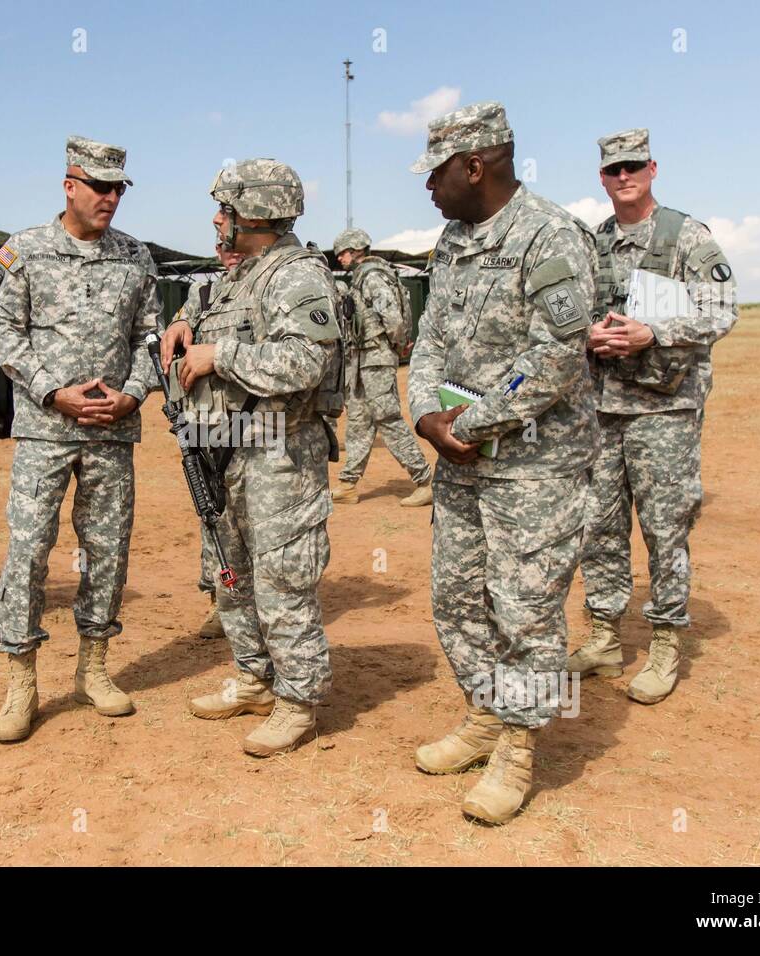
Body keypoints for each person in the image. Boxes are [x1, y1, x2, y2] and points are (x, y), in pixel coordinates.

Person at [406, 103, 599, 824]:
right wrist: (426, 413)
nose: (429, 186)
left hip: (534, 466)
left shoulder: (551, 235)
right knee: (456, 598)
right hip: (459, 459)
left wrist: (475, 421)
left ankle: (517, 748)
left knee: (525, 611)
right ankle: (484, 714)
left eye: (436, 171)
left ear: (474, 166)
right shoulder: (451, 241)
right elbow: (426, 339)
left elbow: (556, 353)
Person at [161, 158, 344, 757]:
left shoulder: (297, 277)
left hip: (278, 452)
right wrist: (185, 325)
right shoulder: (241, 275)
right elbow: (214, 317)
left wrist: (221, 357)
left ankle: (297, 700)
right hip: (221, 451)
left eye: (227, 210)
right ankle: (255, 678)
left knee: (283, 579)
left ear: (256, 214)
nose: (218, 221)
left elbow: (304, 364)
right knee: (230, 574)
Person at [0, 136, 161, 743]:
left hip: (112, 429)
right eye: (100, 186)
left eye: (119, 188)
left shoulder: (136, 257)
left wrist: (135, 391)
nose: (111, 198)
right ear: (69, 185)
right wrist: (48, 389)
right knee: (29, 550)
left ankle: (94, 667)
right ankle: (22, 679)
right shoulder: (24, 252)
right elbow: (2, 331)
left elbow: (151, 336)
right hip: (45, 429)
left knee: (107, 549)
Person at [569, 128, 738, 704]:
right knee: (599, 525)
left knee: (665, 526)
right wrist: (588, 332)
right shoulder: (593, 243)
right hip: (602, 408)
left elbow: (721, 311)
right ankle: (604, 636)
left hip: (665, 408)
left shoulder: (686, 235)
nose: (624, 176)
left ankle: (665, 640)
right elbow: (572, 311)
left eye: (633, 165)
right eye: (614, 169)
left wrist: (654, 331)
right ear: (602, 177)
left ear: (653, 168)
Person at [330, 227, 432, 507]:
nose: (340, 258)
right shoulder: (362, 277)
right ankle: (349, 483)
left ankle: (424, 480)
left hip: (376, 358)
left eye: (343, 253)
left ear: (356, 250)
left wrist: (398, 345)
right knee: (359, 420)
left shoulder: (372, 277)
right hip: (363, 360)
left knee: (387, 419)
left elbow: (393, 318)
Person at [174, 243, 245, 641]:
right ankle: (219, 598)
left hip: (256, 423)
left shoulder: (268, 288)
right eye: (222, 247)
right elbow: (180, 330)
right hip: (206, 421)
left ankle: (249, 599)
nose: (228, 252)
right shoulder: (202, 296)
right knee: (211, 511)